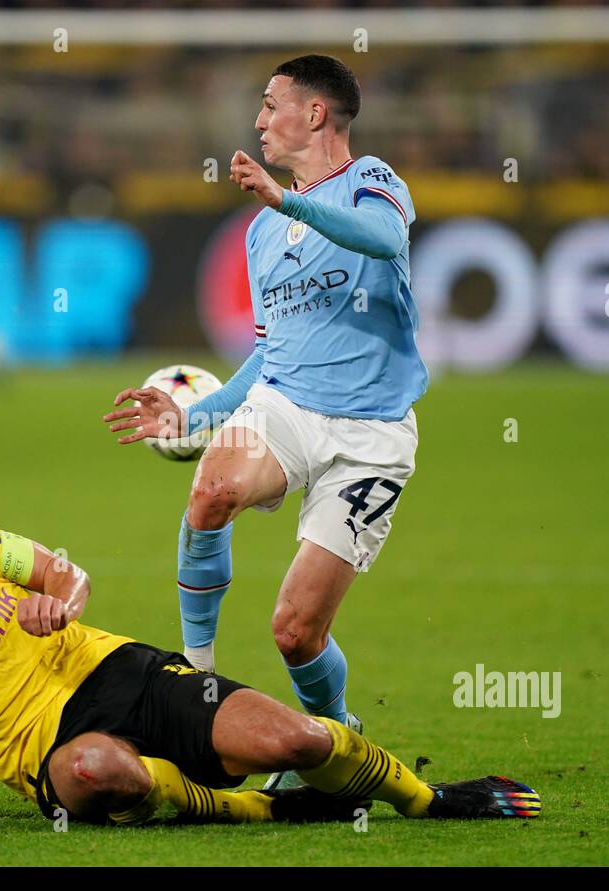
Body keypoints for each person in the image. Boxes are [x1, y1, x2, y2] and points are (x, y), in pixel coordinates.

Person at [0, 477, 540, 828]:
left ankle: (427, 799)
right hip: (52, 757)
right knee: (98, 771)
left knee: (301, 742)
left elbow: (64, 572)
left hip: (116, 670)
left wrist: (62, 604)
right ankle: (267, 812)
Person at [104, 55, 426, 789]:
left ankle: (336, 734)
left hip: (371, 435)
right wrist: (194, 413)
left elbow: (383, 241)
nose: (258, 120)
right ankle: (198, 681)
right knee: (211, 490)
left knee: (296, 632)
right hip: (286, 407)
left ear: (315, 113)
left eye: (270, 104)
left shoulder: (374, 181)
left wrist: (287, 202)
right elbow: (266, 358)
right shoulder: (259, 237)